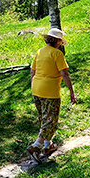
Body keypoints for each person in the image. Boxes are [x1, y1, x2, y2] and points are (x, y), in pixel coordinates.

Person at [27, 28, 77, 161]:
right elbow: (64, 73)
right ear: (58, 41)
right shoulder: (57, 54)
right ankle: (36, 146)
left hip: (36, 89)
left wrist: (35, 87)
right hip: (50, 91)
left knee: (44, 117)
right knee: (51, 120)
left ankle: (47, 145)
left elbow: (32, 72)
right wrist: (72, 91)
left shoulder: (39, 52)